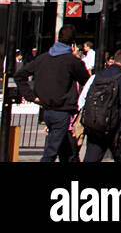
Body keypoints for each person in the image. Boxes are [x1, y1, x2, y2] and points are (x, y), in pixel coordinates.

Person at [15, 24, 90, 162]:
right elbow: (87, 80)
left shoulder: (42, 58)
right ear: (73, 44)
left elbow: (19, 75)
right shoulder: (71, 61)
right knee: (51, 151)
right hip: (62, 111)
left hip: (47, 109)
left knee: (65, 150)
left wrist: (32, 97)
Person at [78, 49, 121, 163]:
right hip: (119, 126)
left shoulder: (96, 77)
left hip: (97, 124)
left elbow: (82, 100)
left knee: (92, 157)